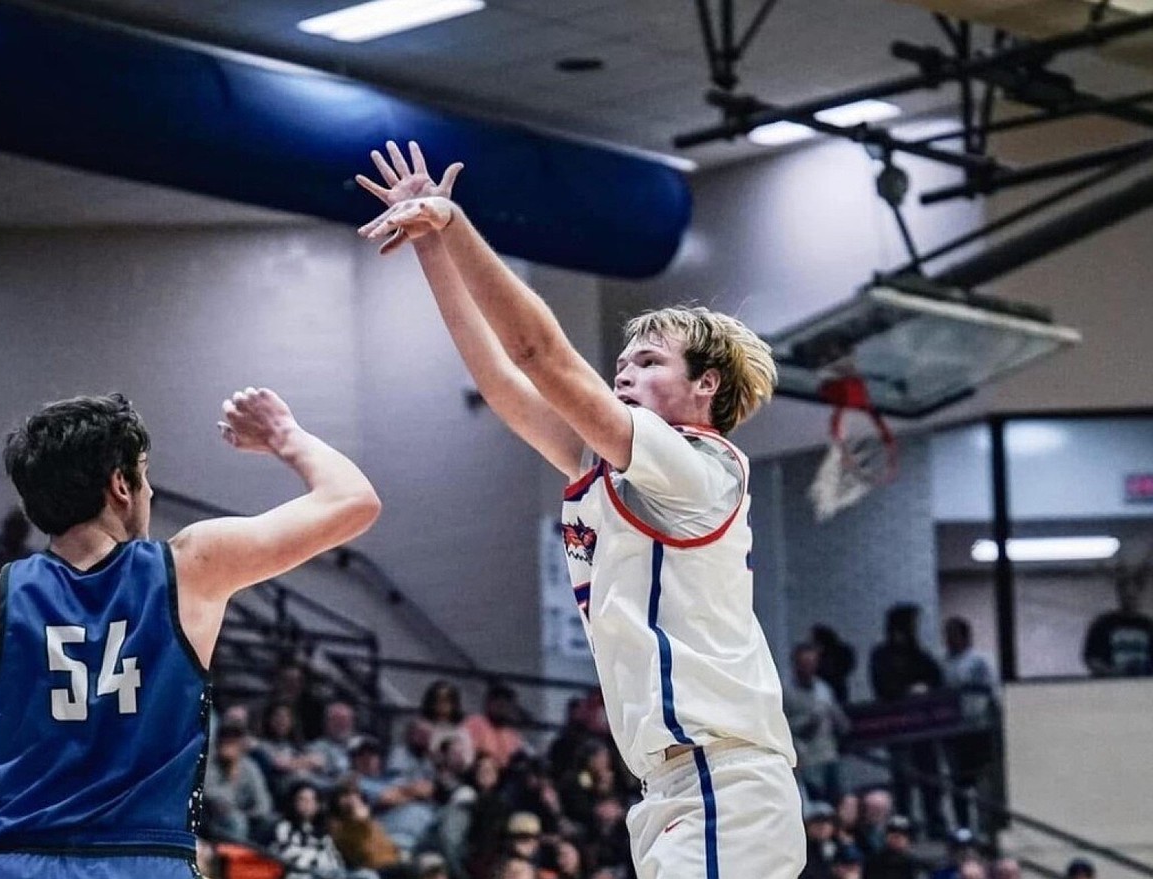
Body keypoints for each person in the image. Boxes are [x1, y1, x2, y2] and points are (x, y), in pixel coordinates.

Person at [356, 140, 801, 879]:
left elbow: (539, 354)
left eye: (649, 362)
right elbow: (502, 380)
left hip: (725, 778)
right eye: (621, 364)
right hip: (672, 783)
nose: (623, 374)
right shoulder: (617, 468)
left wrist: (455, 224)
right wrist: (431, 245)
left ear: (707, 386)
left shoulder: (699, 468)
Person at [0, 389, 381, 878]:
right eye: (145, 474)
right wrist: (285, 435)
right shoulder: (190, 568)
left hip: (14, 863)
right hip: (145, 862)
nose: (151, 494)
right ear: (121, 485)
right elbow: (354, 501)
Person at [869, 604, 945, 839]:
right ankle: (904, 825)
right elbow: (882, 687)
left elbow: (937, 677)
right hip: (898, 725)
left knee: (930, 777)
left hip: (923, 727)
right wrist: (907, 691)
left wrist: (925, 688)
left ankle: (935, 823)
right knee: (902, 778)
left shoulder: (917, 653)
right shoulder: (882, 655)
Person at [941, 619, 999, 832]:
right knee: (958, 781)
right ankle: (962, 827)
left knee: (983, 780)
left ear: (965, 637)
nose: (949, 640)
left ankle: (987, 826)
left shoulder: (981, 660)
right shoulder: (943, 663)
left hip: (979, 729)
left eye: (953, 635)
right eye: (946, 635)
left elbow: (993, 692)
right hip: (954, 731)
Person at [783, 641, 849, 804]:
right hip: (807, 759)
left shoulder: (823, 688)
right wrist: (807, 723)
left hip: (829, 754)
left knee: (837, 801)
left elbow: (839, 719)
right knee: (816, 804)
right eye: (805, 663)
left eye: (812, 663)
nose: (809, 668)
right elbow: (784, 727)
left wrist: (841, 724)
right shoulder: (787, 693)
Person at [1082, 567, 1153, 677]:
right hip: (1112, 685)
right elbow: (1092, 660)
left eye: (1133, 595)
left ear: (1140, 594)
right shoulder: (1102, 624)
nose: (1130, 598)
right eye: (1125, 593)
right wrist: (1114, 674)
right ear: (1119, 594)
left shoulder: (1149, 626)